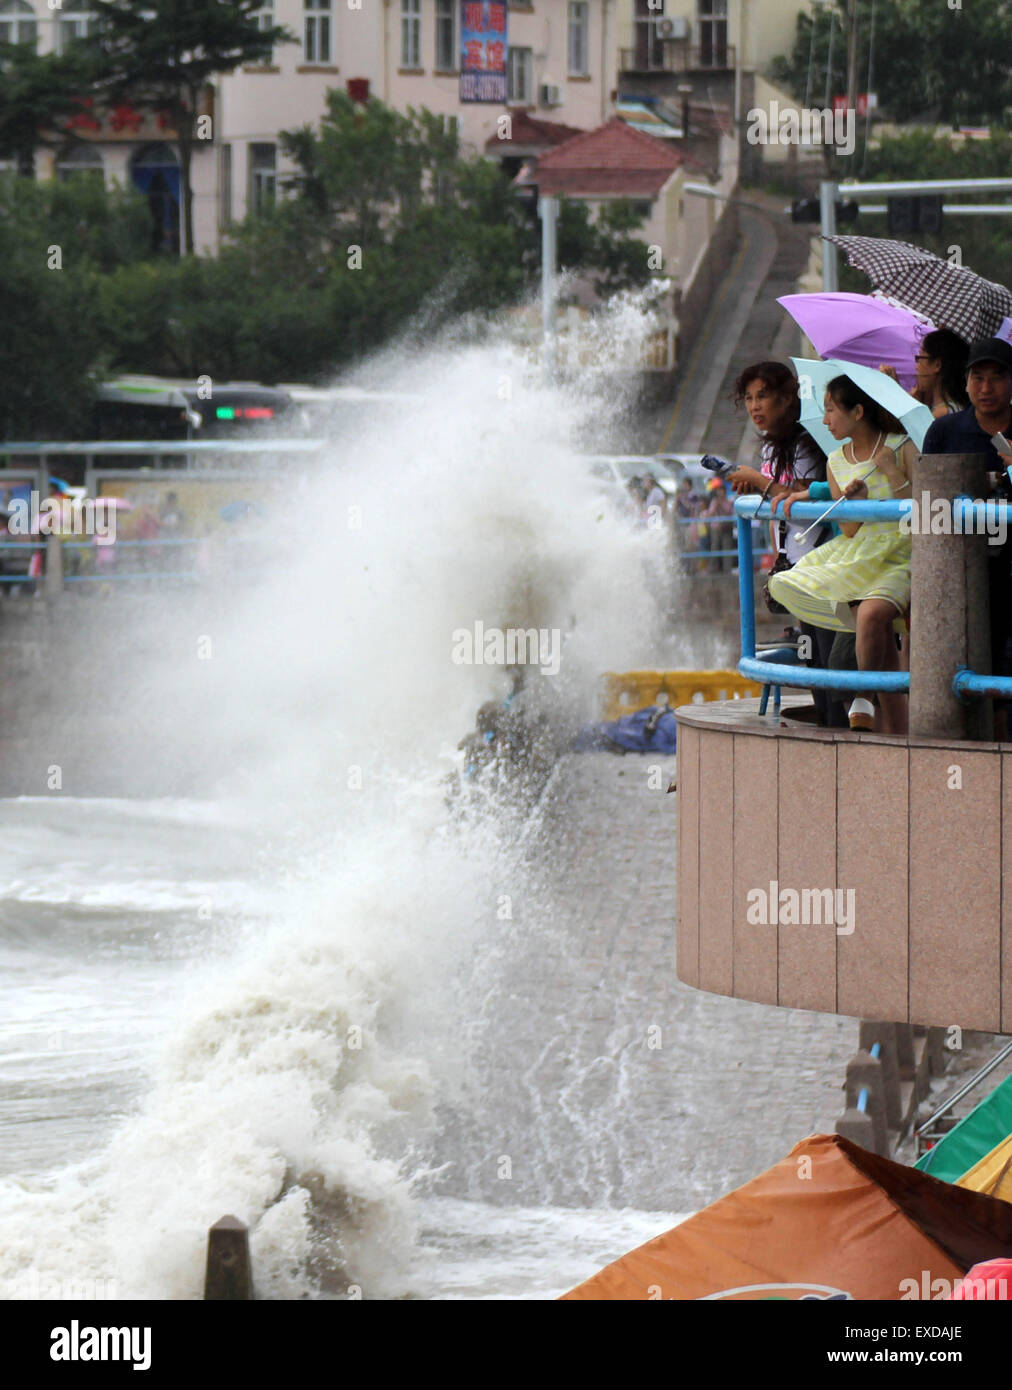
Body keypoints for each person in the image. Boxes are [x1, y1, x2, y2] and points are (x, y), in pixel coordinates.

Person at [769, 376, 916, 735]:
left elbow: (924, 505)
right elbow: (849, 530)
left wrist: (891, 470)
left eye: (832, 410)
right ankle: (895, 731)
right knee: (879, 650)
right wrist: (859, 500)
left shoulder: (902, 448)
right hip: (860, 556)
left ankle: (864, 698)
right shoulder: (836, 462)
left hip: (902, 554)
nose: (826, 420)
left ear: (858, 411)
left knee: (870, 617)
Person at [727, 360, 844, 723]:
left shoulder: (808, 444)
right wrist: (756, 486)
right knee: (812, 655)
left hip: (825, 564)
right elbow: (781, 499)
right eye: (748, 398)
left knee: (830, 657)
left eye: (763, 396)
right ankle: (827, 723)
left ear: (787, 397)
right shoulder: (769, 448)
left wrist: (761, 484)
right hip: (798, 566)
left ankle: (839, 728)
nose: (754, 406)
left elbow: (811, 504)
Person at [922, 336, 1012, 735]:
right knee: (972, 658)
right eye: (978, 377)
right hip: (965, 566)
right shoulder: (944, 432)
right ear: (966, 380)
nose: (987, 388)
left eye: (997, 378)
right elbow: (928, 499)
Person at [880, 328, 969, 416]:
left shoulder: (941, 414)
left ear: (937, 365)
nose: (916, 367)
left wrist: (894, 391)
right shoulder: (954, 408)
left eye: (920, 358)